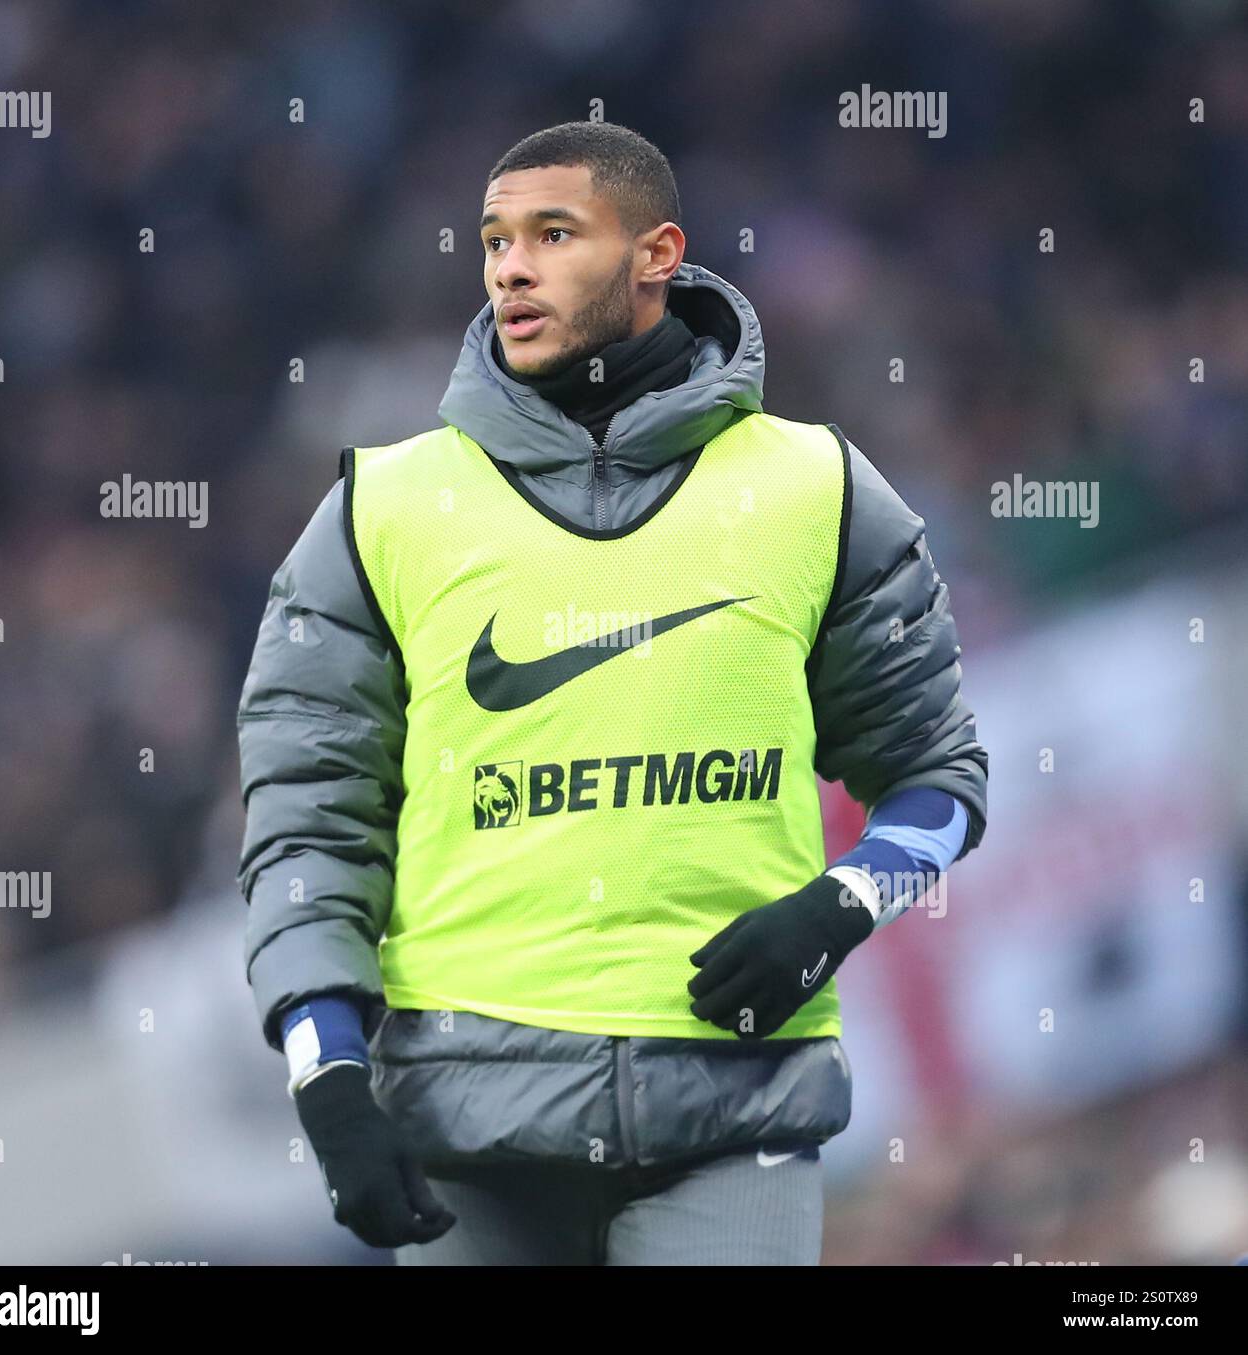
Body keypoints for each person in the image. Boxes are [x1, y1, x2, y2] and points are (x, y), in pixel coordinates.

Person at [236, 120, 988, 1266]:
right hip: (466, 1128)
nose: (509, 268)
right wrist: (329, 1076)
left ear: (655, 254)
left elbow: (940, 778)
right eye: (493, 241)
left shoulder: (815, 488)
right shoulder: (376, 513)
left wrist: (839, 907)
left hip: (736, 1109)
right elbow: (302, 826)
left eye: (551, 234)